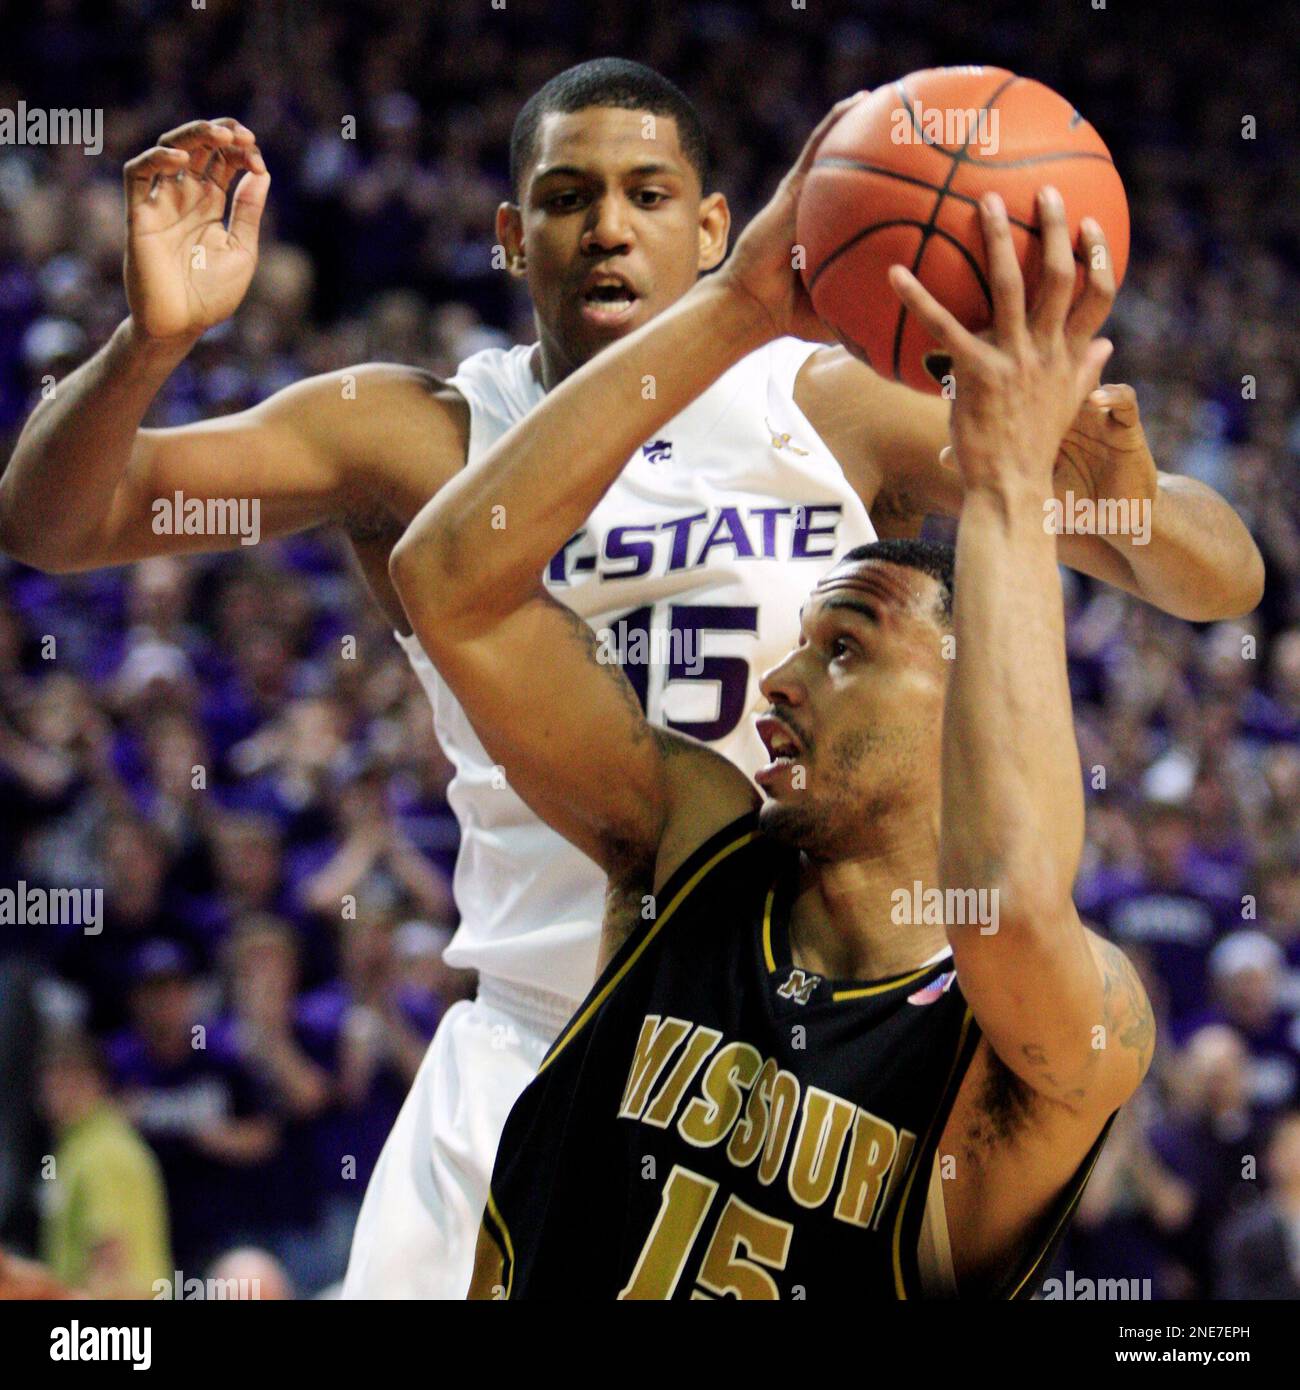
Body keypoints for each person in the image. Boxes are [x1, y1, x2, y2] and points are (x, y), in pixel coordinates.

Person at [0, 60, 1257, 1298]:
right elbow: (56, 521)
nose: (607, 227)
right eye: (565, 197)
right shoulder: (417, 428)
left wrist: (1123, 503)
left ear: (718, 226)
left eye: (650, 195)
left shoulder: (831, 407)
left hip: (768, 1068)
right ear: (510, 234)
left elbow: (1220, 574)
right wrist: (145, 346)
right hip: (533, 1027)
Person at [389, 127, 1157, 1296]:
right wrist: (736, 306)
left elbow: (1005, 902)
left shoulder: (1048, 1036)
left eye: (843, 646)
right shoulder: (688, 844)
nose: (779, 685)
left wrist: (1008, 489)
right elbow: (447, 581)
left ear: (969, 702)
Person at [37, 1032, 172, 1299]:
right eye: (50, 1082)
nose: (52, 1094)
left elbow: (109, 1255)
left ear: (94, 1083)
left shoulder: (102, 1151)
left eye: (66, 1080)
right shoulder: (77, 1146)